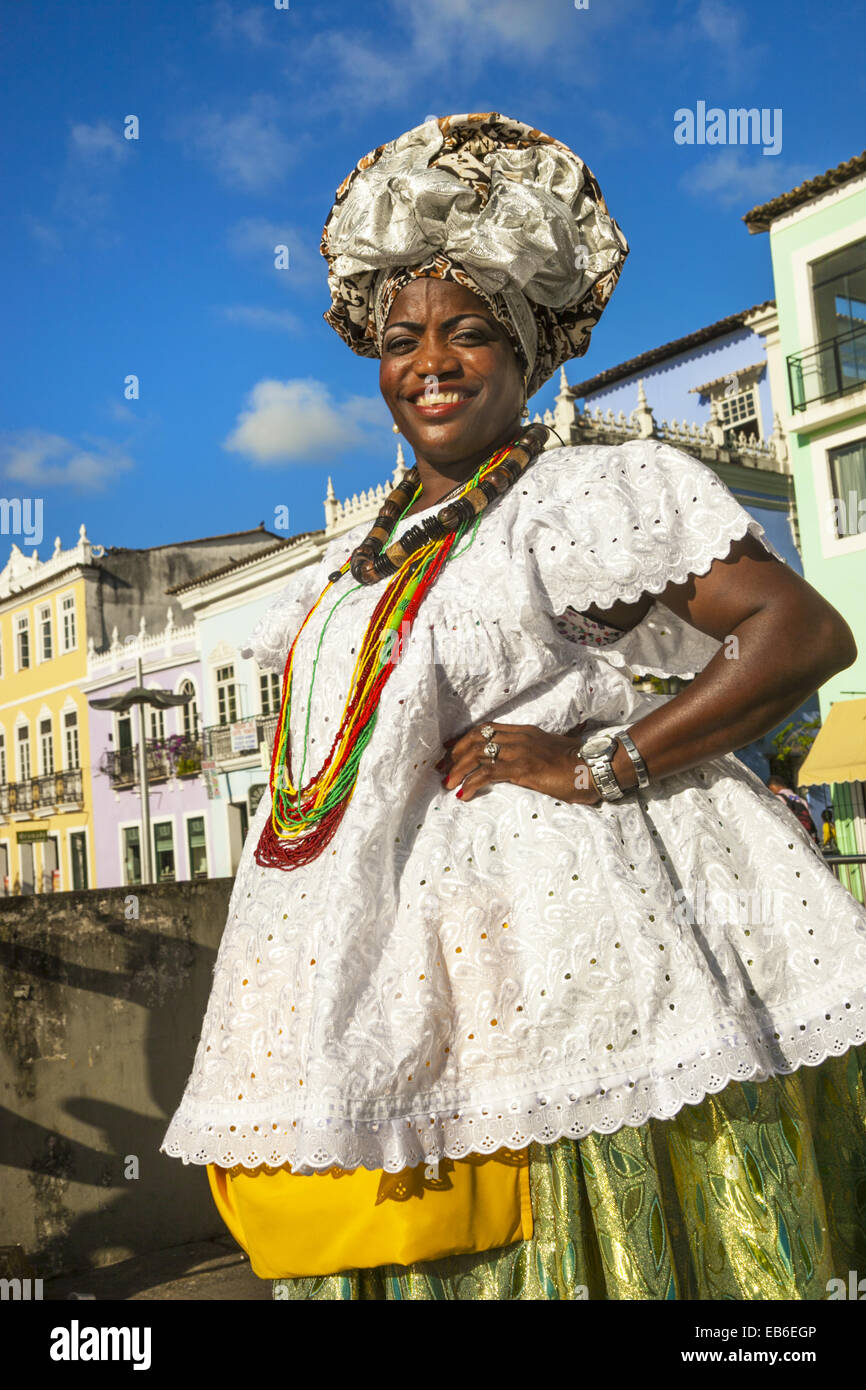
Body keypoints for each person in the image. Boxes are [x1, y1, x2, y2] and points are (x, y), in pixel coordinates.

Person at [161, 113, 866, 1300]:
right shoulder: (360, 552)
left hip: (565, 958)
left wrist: (603, 761)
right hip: (401, 976)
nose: (429, 360)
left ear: (526, 355)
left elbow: (797, 631)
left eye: (468, 332)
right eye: (402, 339)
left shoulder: (584, 492)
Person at [768, 775, 820, 845]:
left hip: (791, 837)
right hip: (806, 836)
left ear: (772, 786)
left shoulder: (778, 798)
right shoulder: (801, 799)